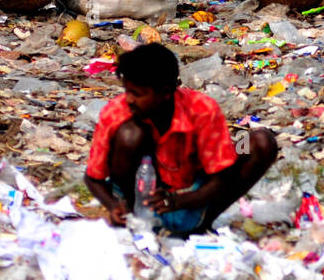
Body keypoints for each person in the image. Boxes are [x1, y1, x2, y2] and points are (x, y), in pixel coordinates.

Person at [84, 43, 278, 235]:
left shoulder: (202, 110)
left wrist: (176, 201)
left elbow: (222, 178)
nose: (129, 99)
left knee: (259, 142)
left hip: (193, 187)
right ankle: (131, 213)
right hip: (140, 192)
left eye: (137, 94)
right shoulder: (116, 113)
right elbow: (93, 177)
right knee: (130, 135)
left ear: (166, 92)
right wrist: (112, 205)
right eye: (127, 91)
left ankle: (202, 221)